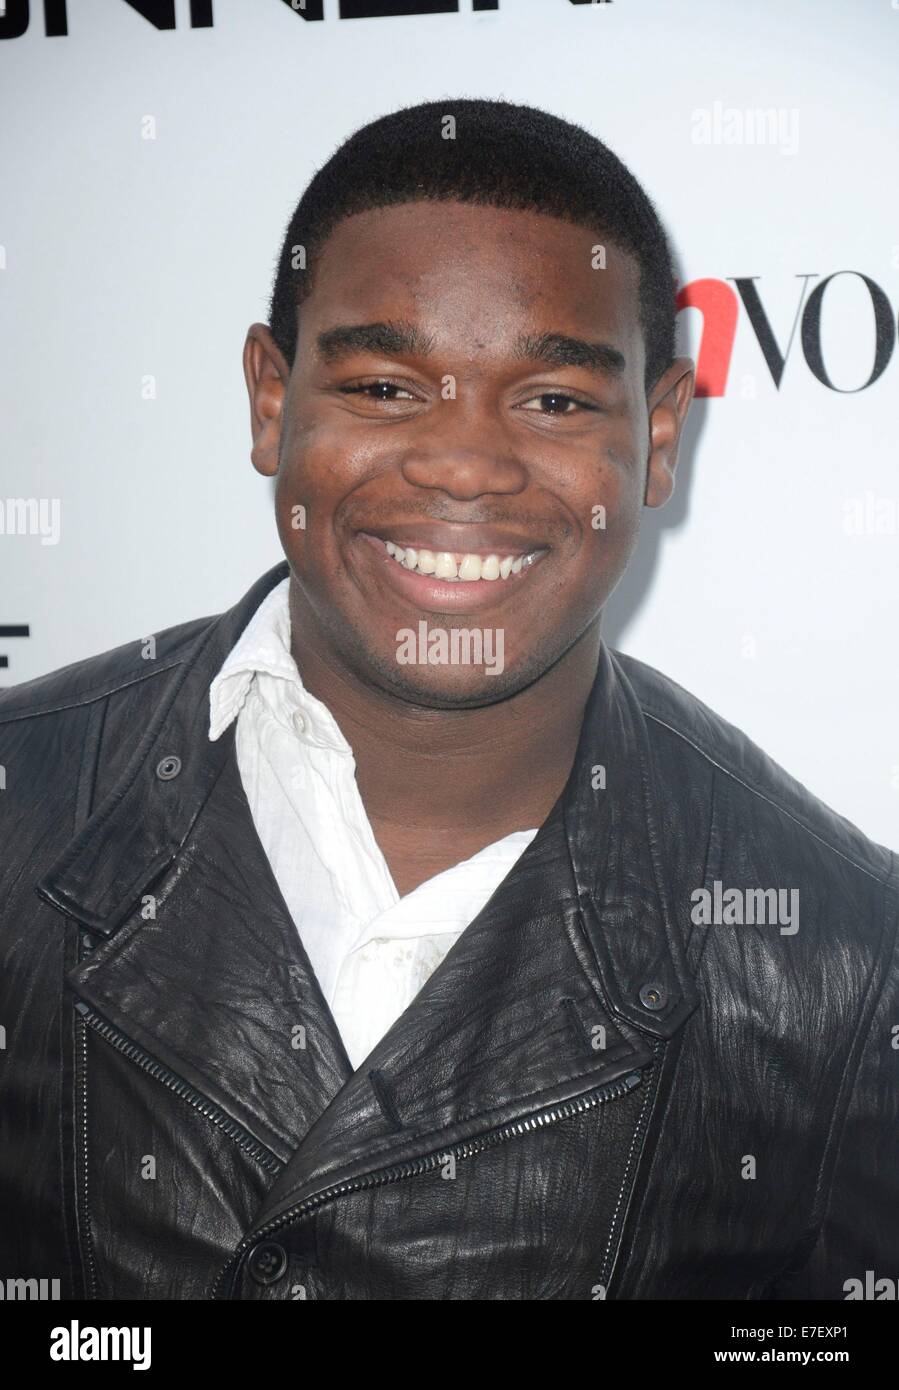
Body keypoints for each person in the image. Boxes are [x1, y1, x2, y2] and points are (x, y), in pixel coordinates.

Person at [0, 99, 895, 1302]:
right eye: (381, 386)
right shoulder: (23, 798)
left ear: (660, 435)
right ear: (272, 402)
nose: (463, 464)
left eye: (554, 401)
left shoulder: (837, 960)